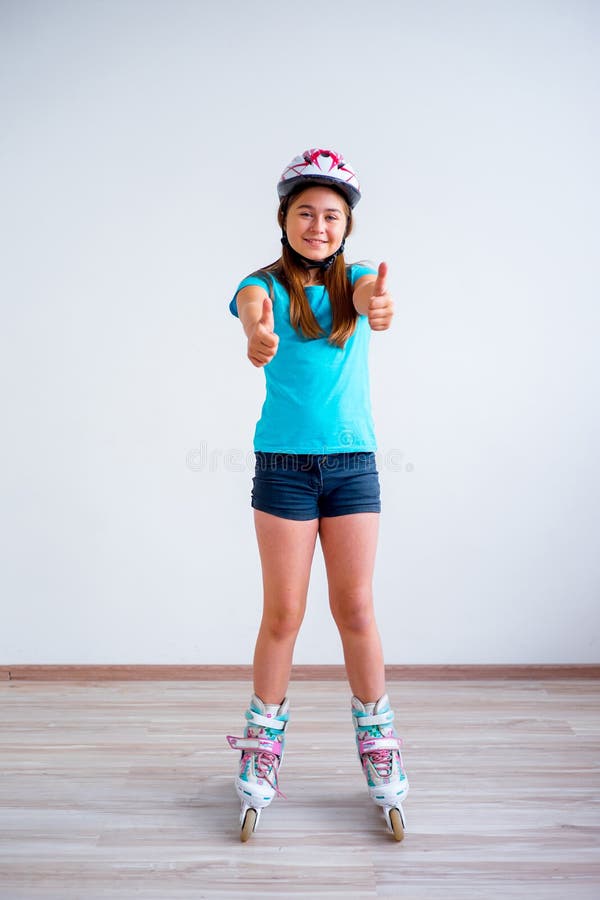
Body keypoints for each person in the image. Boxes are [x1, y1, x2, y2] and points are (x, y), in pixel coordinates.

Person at [226, 148, 409, 842]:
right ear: (284, 217)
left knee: (356, 606)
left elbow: (371, 299)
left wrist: (379, 305)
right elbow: (250, 310)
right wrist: (257, 333)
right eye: (306, 212)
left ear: (347, 226)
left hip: (353, 466)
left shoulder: (358, 280)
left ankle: (379, 744)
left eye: (332, 215)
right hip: (282, 467)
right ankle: (262, 748)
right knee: (284, 613)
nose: (319, 225)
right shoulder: (260, 285)